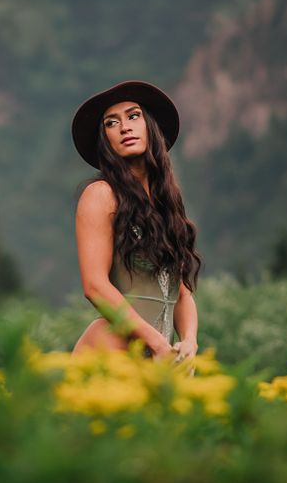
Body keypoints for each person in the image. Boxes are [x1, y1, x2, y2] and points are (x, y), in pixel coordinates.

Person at [70, 80, 202, 364]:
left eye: (133, 116)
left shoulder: (168, 203)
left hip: (160, 354)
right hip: (112, 349)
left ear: (150, 126)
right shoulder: (101, 195)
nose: (124, 127)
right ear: (104, 140)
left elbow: (181, 294)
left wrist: (189, 342)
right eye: (110, 123)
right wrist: (156, 343)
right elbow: (94, 286)